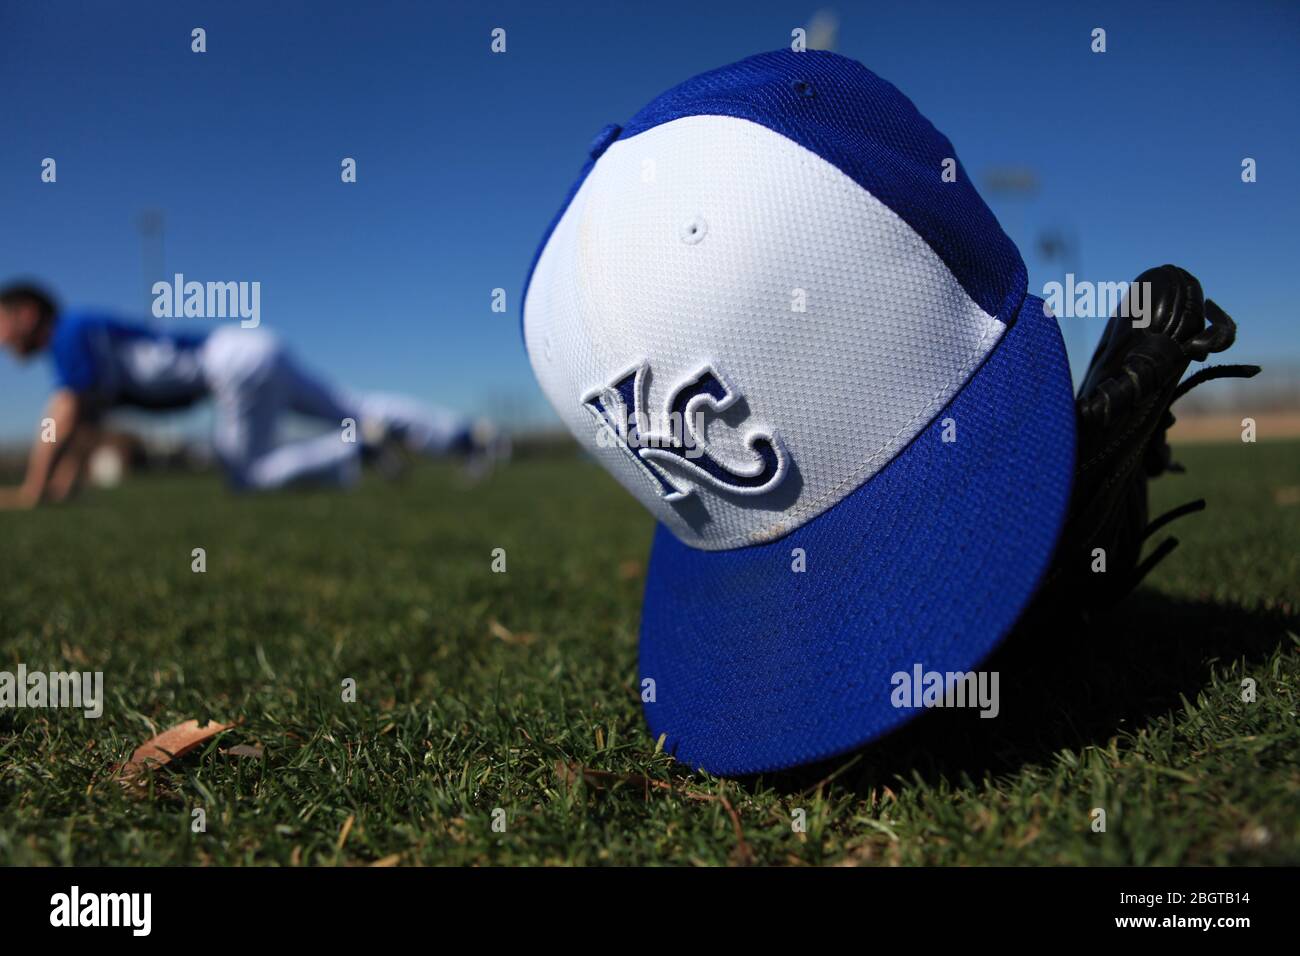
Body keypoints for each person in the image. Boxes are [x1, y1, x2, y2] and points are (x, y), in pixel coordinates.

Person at [0, 282, 498, 508]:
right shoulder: (79, 337)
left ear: (26, 314)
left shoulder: (67, 334)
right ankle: (467, 437)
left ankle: (356, 448)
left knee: (247, 477)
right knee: (355, 407)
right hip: (252, 347)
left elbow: (64, 413)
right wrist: (61, 488)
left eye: (3, 322)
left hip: (232, 365)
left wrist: (31, 491)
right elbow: (81, 427)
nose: (2, 337)